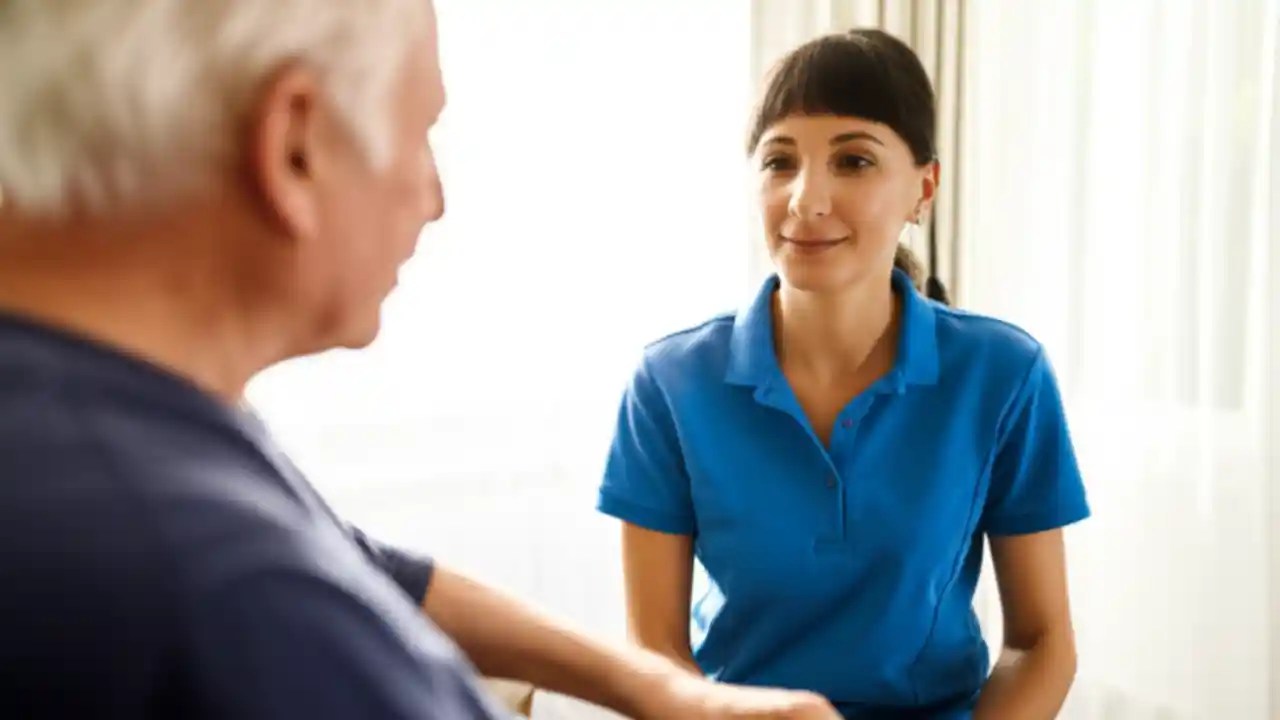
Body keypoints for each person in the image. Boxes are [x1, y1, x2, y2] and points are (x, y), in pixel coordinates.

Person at [0, 2, 844, 719]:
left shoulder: (105, 411)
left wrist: (661, 689)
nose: (434, 199)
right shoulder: (235, 594)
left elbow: (357, 559)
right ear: (295, 146)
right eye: (420, 133)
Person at [597, 29, 1090, 720]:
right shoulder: (669, 385)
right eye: (780, 161)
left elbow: (1040, 643)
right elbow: (657, 655)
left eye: (853, 161)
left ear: (923, 189)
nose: (806, 198)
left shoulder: (1004, 375)